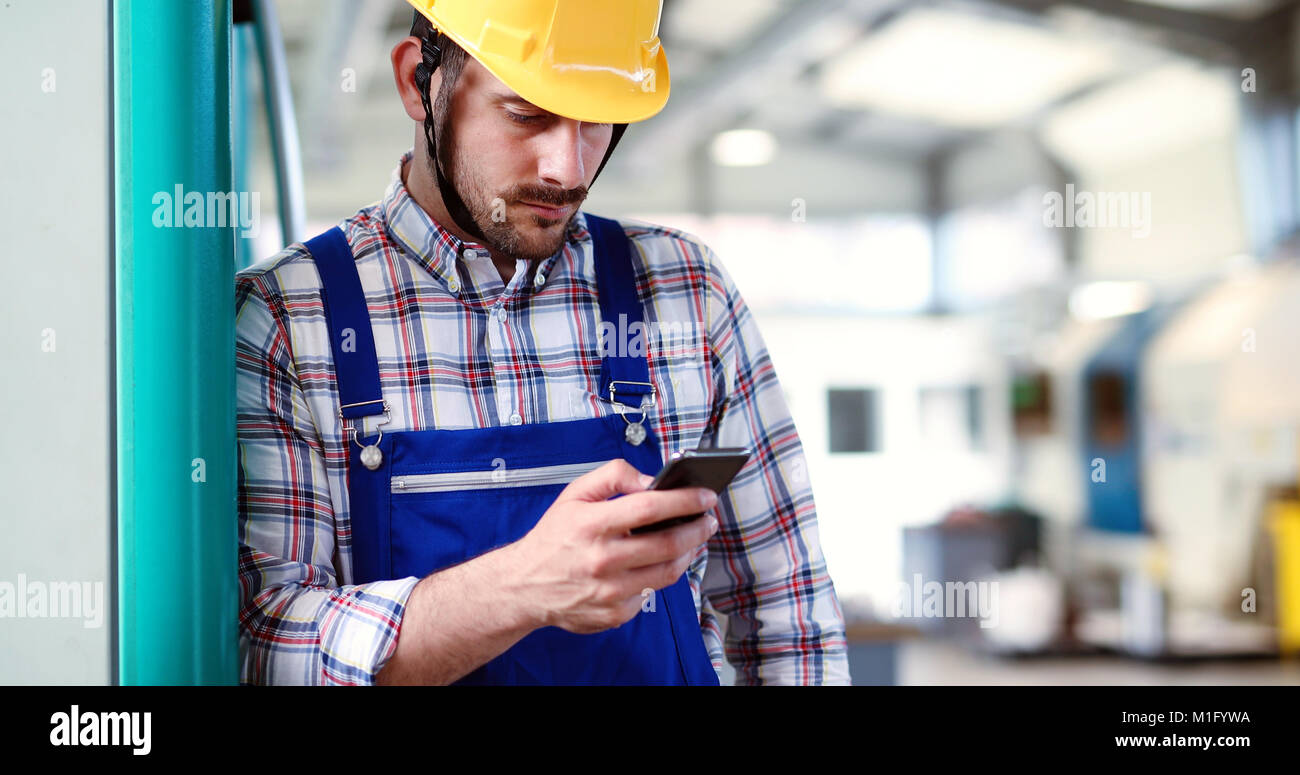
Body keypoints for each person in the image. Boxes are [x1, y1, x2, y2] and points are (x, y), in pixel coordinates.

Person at [235, 0, 849, 685]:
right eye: (527, 112)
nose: (566, 168)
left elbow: (790, 619)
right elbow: (266, 645)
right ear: (418, 82)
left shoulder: (686, 293)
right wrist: (524, 587)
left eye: (595, 120)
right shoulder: (289, 318)